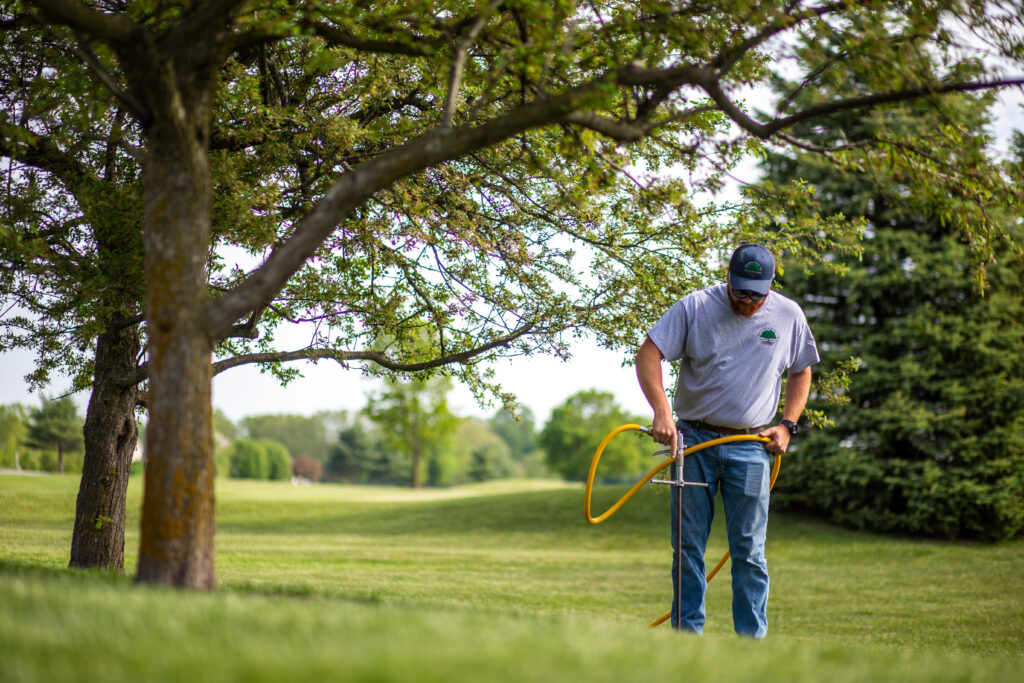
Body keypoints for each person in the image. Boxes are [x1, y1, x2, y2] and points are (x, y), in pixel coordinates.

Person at [635, 243, 818, 638]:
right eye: (740, 291)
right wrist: (662, 413)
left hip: (752, 447)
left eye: (757, 293)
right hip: (694, 443)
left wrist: (788, 424)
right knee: (688, 550)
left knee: (749, 553)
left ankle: (749, 648)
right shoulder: (695, 308)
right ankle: (687, 641)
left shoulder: (788, 315)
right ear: (728, 279)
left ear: (771, 285)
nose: (748, 301)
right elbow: (648, 354)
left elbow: (801, 369)